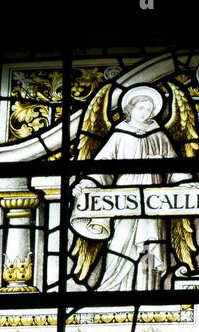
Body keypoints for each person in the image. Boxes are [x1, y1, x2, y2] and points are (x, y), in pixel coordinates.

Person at [78, 87, 178, 293]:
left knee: (151, 245)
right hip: (124, 196)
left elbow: (175, 167)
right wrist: (88, 183)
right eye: (141, 108)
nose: (145, 113)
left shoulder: (159, 135)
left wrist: (184, 181)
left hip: (154, 198)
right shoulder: (119, 135)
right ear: (130, 109)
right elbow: (102, 165)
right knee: (120, 243)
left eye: (149, 109)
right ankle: (113, 289)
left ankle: (148, 289)